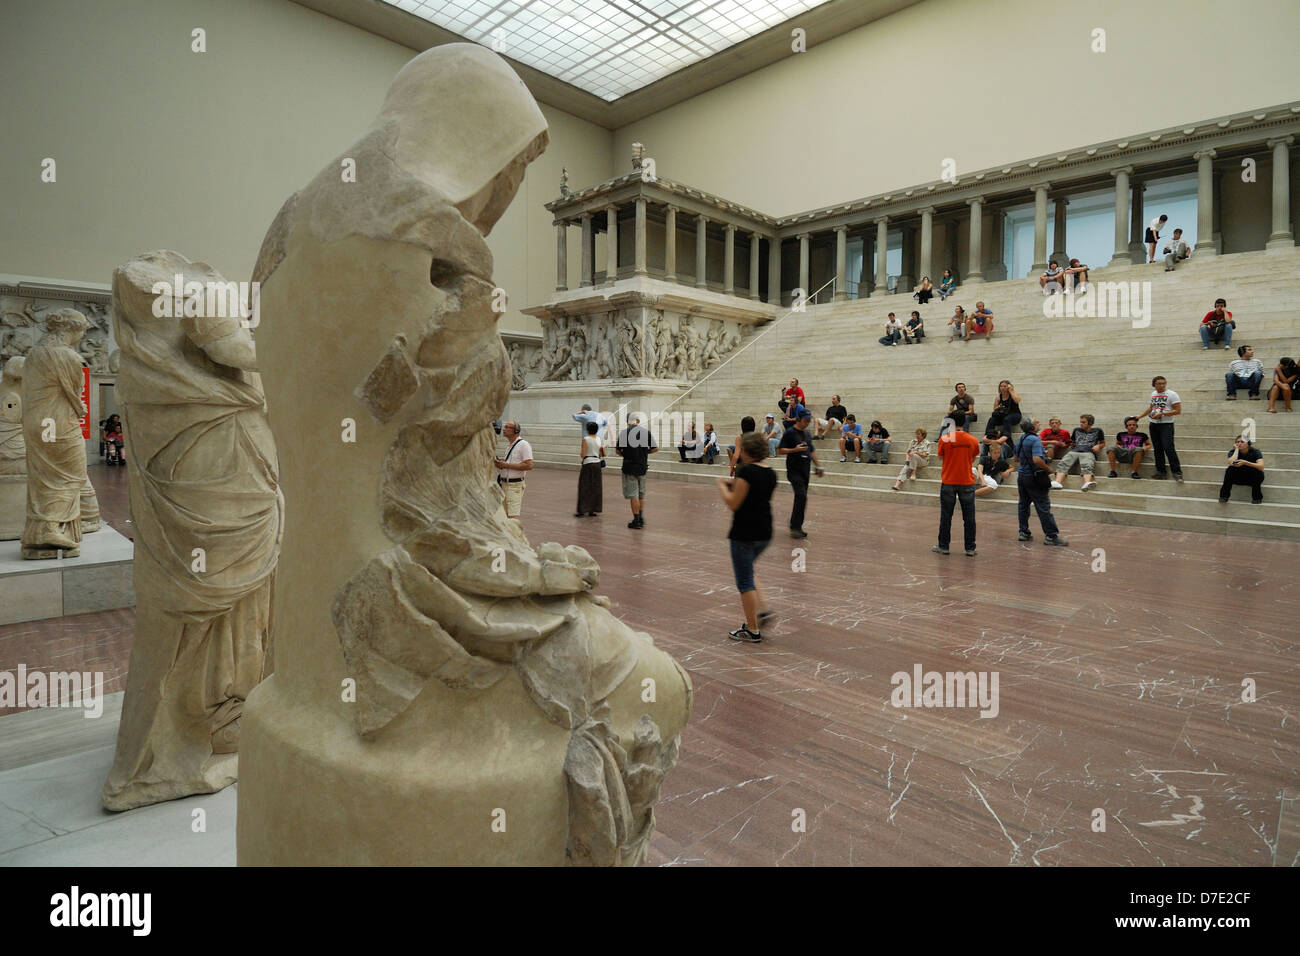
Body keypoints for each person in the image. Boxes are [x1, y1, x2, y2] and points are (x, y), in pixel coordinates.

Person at [718, 431, 778, 643]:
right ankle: (762, 609)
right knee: (749, 571)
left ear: (747, 451)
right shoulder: (770, 472)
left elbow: (734, 503)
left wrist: (721, 486)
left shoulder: (746, 473)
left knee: (744, 582)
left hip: (745, 533)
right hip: (765, 531)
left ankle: (752, 629)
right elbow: (754, 493)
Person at [1015, 420, 1068, 546]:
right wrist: (1048, 469)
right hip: (1034, 478)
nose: (1040, 424)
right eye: (1037, 422)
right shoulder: (1035, 440)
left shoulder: (1020, 438)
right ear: (1033, 427)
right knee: (1043, 506)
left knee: (1023, 505)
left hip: (1022, 475)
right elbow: (1037, 459)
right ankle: (1051, 535)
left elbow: (1016, 458)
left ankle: (1024, 532)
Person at [932, 421, 980, 556]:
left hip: (949, 481)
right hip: (966, 481)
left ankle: (944, 546)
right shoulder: (972, 440)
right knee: (969, 517)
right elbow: (973, 457)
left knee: (946, 516)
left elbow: (941, 457)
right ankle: (970, 548)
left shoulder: (944, 439)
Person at [778, 410, 823, 539]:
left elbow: (812, 451)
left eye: (809, 421)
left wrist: (818, 466)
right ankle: (795, 527)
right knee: (801, 496)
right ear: (799, 419)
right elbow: (780, 450)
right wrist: (795, 450)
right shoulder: (790, 432)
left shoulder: (807, 434)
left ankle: (797, 527)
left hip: (805, 471)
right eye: (806, 421)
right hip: (794, 471)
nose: (808, 423)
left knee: (802, 499)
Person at [1136, 375, 1184, 481]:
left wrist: (1162, 414)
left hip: (1166, 425)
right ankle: (1161, 472)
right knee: (1158, 449)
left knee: (1169, 448)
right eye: (1159, 383)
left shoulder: (1172, 394)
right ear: (1154, 385)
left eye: (1164, 383)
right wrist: (1140, 416)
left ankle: (1177, 472)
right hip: (1153, 424)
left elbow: (1178, 410)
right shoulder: (1153, 394)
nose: (1162, 385)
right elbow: (1151, 408)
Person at [615, 413, 657, 529]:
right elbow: (655, 448)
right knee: (641, 494)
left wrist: (626, 454)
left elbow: (618, 451)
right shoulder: (645, 432)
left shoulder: (624, 433)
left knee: (633, 494)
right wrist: (644, 453)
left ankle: (636, 520)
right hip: (642, 466)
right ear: (637, 420)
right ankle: (641, 518)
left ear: (627, 421)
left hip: (629, 467)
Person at [1051, 414, 1105, 491]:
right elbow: (1072, 442)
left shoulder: (1098, 431)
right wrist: (1071, 444)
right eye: (1080, 422)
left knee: (1087, 465)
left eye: (1083, 422)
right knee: (1063, 463)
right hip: (1074, 451)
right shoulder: (1076, 430)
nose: (1081, 424)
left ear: (1090, 423)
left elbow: (1103, 443)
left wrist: (1099, 446)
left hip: (1088, 451)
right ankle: (1057, 482)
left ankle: (1086, 483)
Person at [494, 420, 534, 519]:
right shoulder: (509, 447)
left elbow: (529, 465)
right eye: (505, 427)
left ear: (515, 431)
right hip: (504, 484)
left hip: (514, 486)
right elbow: (511, 463)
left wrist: (506, 465)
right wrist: (501, 464)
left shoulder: (523, 445)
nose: (504, 429)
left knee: (513, 516)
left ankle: (516, 534)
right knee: (504, 516)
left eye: (507, 427)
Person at [1219, 435, 1265, 504]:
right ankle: (1224, 496)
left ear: (1248, 444)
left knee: (1257, 472)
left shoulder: (1255, 452)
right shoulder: (1233, 452)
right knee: (1230, 469)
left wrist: (1245, 463)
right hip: (1238, 478)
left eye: (1242, 442)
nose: (1239, 443)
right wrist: (1236, 449)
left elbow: (1261, 466)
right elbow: (1231, 462)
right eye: (1237, 442)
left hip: (1252, 479)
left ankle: (1257, 498)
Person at [575, 420, 604, 517]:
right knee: (596, 486)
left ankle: (582, 509)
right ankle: (593, 509)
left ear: (587, 430)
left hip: (588, 463)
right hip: (597, 464)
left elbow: (582, 455)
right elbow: (601, 454)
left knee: (584, 486)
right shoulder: (599, 439)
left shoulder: (585, 439)